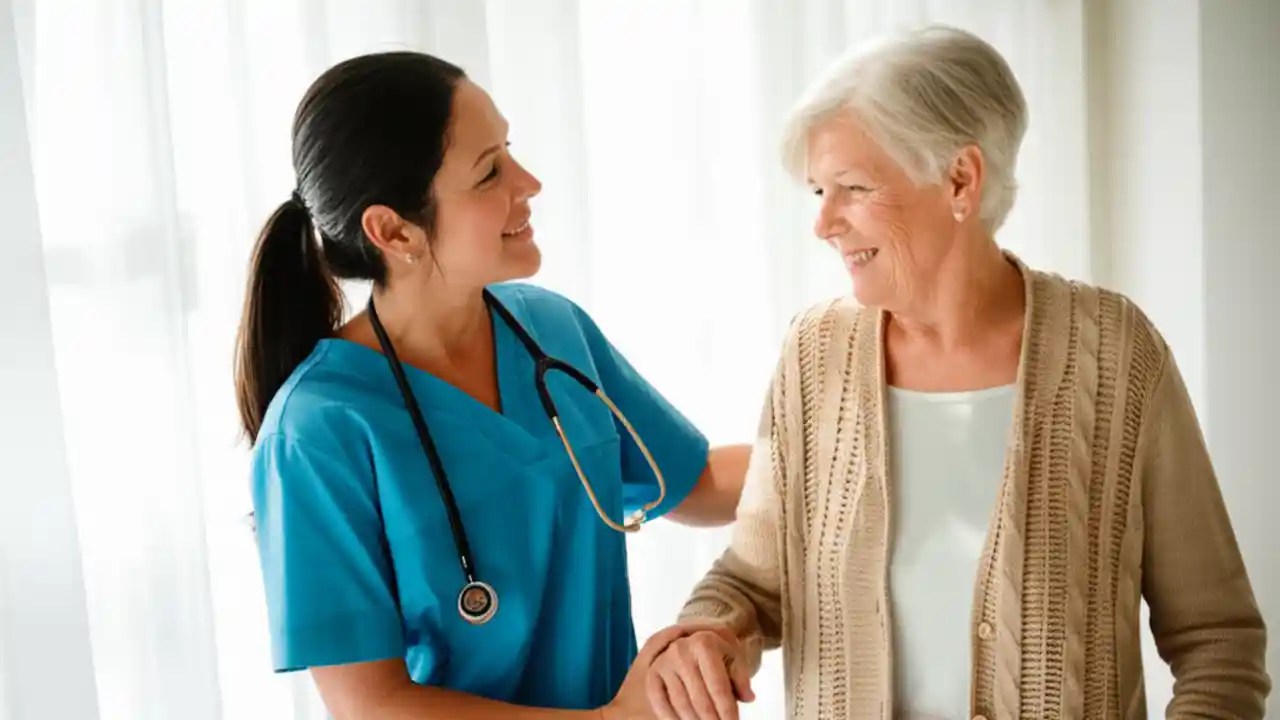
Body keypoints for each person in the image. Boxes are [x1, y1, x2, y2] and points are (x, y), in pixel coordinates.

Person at [645, 25, 1270, 720]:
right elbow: (753, 585)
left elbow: (1218, 640)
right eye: (819, 190)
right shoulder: (813, 356)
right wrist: (704, 635)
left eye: (852, 188)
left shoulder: (1115, 352)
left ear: (959, 179)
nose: (824, 223)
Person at [233, 51, 750, 719]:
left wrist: (864, 425)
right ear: (394, 231)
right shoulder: (317, 430)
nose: (528, 182)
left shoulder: (551, 331)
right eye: (490, 173)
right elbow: (373, 706)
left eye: (510, 151)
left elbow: (695, 481)